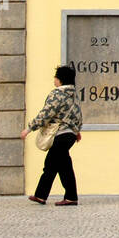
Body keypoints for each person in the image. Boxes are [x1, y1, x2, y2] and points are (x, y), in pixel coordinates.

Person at [20, 65, 83, 206]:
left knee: (57, 166)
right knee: (58, 165)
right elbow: (77, 115)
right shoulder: (74, 94)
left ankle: (60, 196)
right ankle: (49, 196)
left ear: (60, 80)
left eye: (56, 77)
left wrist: (29, 129)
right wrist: (76, 131)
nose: (54, 79)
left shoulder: (57, 94)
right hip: (70, 135)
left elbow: (46, 114)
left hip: (60, 134)